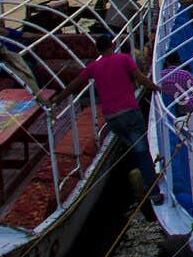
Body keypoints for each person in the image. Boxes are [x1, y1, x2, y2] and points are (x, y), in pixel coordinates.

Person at [52, 35, 162, 202]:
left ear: (98, 50)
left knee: (134, 149)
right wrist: (157, 88)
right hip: (130, 113)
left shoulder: (94, 67)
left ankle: (142, 179)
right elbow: (140, 79)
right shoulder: (124, 59)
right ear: (113, 45)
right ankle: (154, 193)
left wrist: (55, 100)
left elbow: (74, 85)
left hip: (112, 118)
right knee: (142, 151)